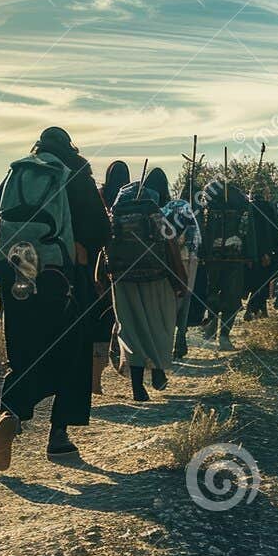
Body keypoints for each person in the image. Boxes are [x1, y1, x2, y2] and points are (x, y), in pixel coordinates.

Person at [0, 126, 110, 469]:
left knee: (23, 353)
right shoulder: (75, 173)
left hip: (17, 275)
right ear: (69, 146)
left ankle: (10, 415)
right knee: (71, 353)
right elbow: (101, 227)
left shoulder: (17, 170)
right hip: (63, 279)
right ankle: (58, 437)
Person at [107, 172, 183, 403]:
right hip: (156, 279)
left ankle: (137, 387)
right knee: (159, 326)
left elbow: (105, 249)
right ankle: (158, 370)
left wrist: (102, 279)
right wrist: (179, 278)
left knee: (131, 332)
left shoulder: (115, 217)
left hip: (123, 281)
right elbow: (171, 248)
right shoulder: (156, 215)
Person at [197, 176, 255, 350]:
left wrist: (202, 253)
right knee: (232, 296)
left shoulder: (206, 203)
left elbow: (201, 231)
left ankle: (212, 329)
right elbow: (248, 232)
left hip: (212, 258)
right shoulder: (242, 203)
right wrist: (251, 255)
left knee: (212, 292)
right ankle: (223, 335)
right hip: (234, 257)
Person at [92, 160, 132, 392]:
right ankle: (121, 361)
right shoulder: (129, 199)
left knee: (98, 324)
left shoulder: (99, 195)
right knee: (120, 320)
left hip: (96, 270)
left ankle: (95, 381)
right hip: (123, 268)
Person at [161, 172, 202, 359]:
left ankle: (167, 343)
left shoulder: (165, 209)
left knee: (169, 302)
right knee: (185, 300)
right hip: (188, 259)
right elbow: (196, 240)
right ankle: (180, 341)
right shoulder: (188, 212)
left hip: (168, 261)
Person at [244, 180, 278, 320]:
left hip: (250, 254)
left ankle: (260, 310)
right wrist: (268, 252)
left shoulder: (248, 207)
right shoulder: (267, 208)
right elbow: (271, 233)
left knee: (258, 282)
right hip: (264, 255)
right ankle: (252, 310)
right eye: (267, 192)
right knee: (261, 282)